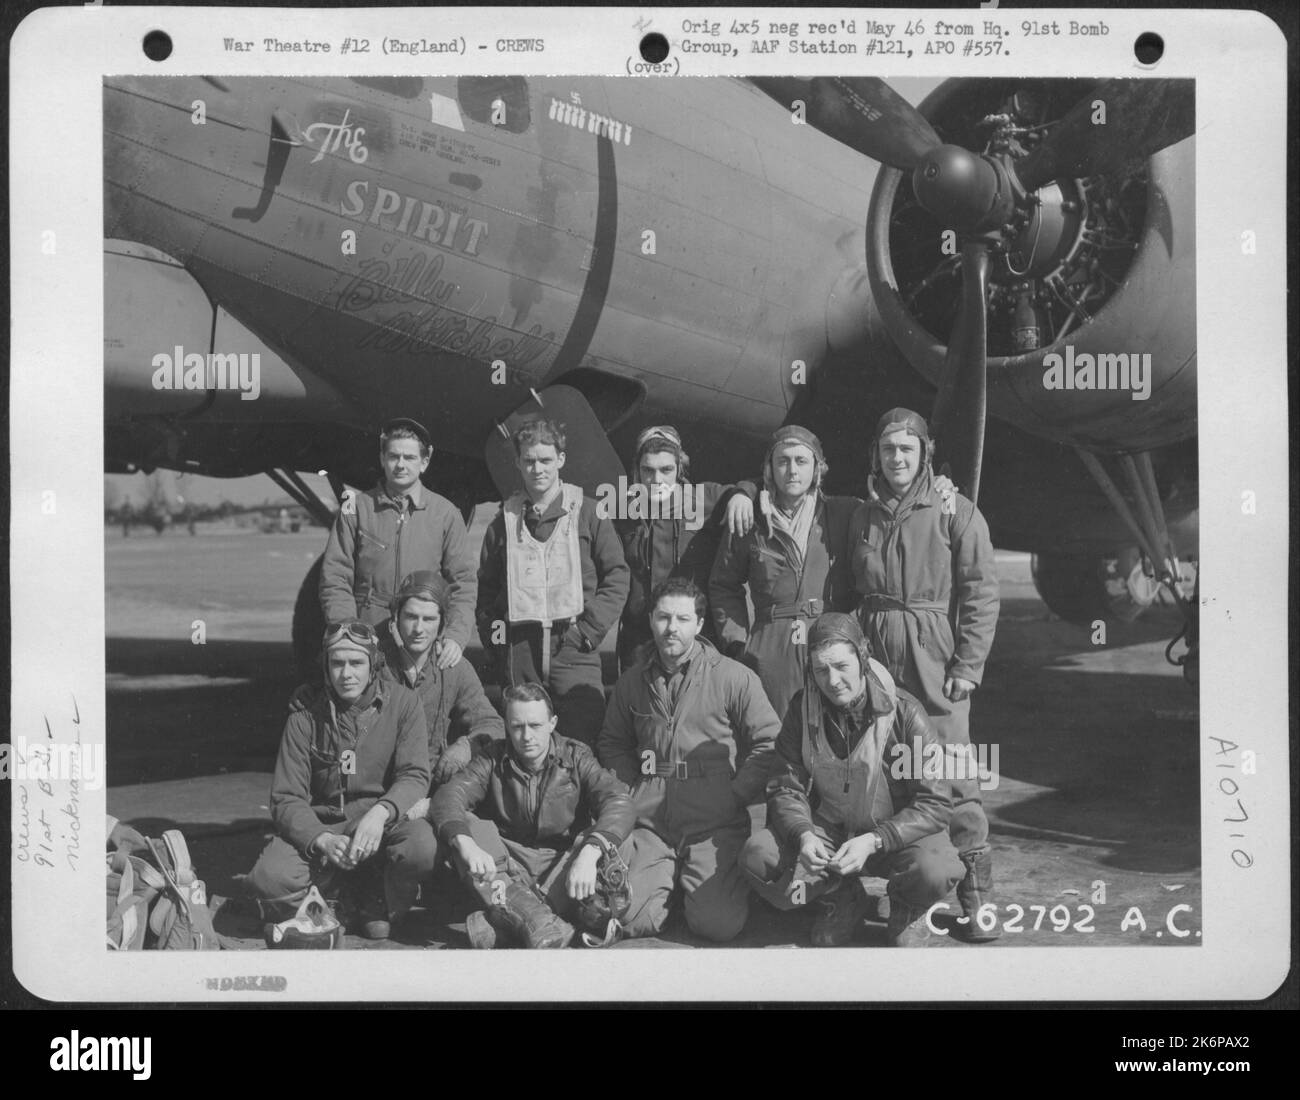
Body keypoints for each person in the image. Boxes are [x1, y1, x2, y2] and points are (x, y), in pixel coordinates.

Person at [848, 407, 1001, 940]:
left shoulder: (953, 509)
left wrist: (967, 666)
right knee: (891, 768)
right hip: (877, 659)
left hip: (935, 657)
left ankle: (976, 896)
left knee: (953, 771)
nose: (897, 459)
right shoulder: (864, 515)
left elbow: (981, 592)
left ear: (924, 454)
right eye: (889, 449)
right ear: (877, 454)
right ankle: (907, 891)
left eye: (907, 450)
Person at [740, 613, 964, 946]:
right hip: (829, 832)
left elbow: (935, 803)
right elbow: (786, 786)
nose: (832, 681)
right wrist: (803, 835)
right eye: (820, 670)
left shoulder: (906, 713)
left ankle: (907, 904)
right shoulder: (801, 709)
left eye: (842, 666)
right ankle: (841, 896)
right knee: (759, 857)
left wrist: (876, 840)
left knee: (937, 869)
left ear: (862, 658)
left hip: (892, 837)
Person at [598, 578, 780, 942]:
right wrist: (633, 790)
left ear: (699, 625)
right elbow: (612, 742)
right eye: (664, 618)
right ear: (651, 620)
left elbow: (768, 742)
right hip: (652, 823)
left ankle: (702, 887)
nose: (671, 628)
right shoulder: (632, 682)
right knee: (632, 922)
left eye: (683, 619)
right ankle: (667, 884)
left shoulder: (733, 677)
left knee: (718, 924)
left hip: (713, 822)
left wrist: (737, 792)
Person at [247, 621, 437, 940]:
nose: (346, 674)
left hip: (382, 826)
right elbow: (285, 797)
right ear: (326, 666)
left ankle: (378, 894)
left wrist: (381, 814)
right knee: (267, 880)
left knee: (421, 848)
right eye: (337, 663)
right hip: (329, 828)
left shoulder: (404, 705)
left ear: (373, 665)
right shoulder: (304, 715)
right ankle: (338, 899)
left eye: (357, 663)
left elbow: (415, 774)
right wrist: (323, 840)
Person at [429, 683, 640, 948]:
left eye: (535, 726)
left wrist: (589, 853)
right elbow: (449, 796)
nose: (526, 736)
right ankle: (541, 923)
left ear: (552, 723)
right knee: (466, 828)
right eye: (517, 727)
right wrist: (466, 844)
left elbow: (619, 801)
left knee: (617, 839)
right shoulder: (492, 758)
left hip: (562, 868)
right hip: (510, 865)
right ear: (507, 726)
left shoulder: (577, 756)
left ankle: (513, 923)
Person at [476, 418, 630, 746]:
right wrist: (498, 644)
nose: (537, 469)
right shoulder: (503, 521)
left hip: (573, 648)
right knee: (524, 746)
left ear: (560, 459)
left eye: (546, 460)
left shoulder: (589, 512)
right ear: (518, 462)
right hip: (521, 649)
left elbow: (618, 575)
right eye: (529, 461)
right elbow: (486, 591)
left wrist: (587, 632)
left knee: (580, 746)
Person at [708, 425, 862, 722]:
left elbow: (885, 513)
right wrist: (739, 643)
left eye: (802, 461)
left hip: (829, 638)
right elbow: (723, 585)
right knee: (774, 738)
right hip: (770, 645)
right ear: (769, 469)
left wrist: (941, 486)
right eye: (783, 461)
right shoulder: (749, 518)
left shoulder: (844, 513)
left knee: (836, 731)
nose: (792, 470)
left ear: (817, 469)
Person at [319, 417, 477, 671]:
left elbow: (464, 583)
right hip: (367, 636)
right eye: (394, 456)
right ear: (382, 458)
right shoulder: (355, 509)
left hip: (422, 636)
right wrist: (349, 632)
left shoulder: (446, 513)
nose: (400, 465)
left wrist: (455, 637)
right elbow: (335, 577)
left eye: (410, 458)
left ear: (424, 462)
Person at [614, 424, 756, 671]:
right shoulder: (623, 510)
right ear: (636, 471)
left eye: (666, 470)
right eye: (648, 470)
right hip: (640, 640)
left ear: (679, 468)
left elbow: (759, 484)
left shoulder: (704, 499)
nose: (656, 480)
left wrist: (743, 494)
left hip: (697, 636)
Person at [379, 570, 504, 822]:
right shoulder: (375, 665)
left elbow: (494, 726)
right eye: (411, 617)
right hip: (381, 789)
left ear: (442, 623)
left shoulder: (453, 668)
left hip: (433, 790)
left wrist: (467, 745)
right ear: (395, 617)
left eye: (429, 619)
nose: (418, 629)